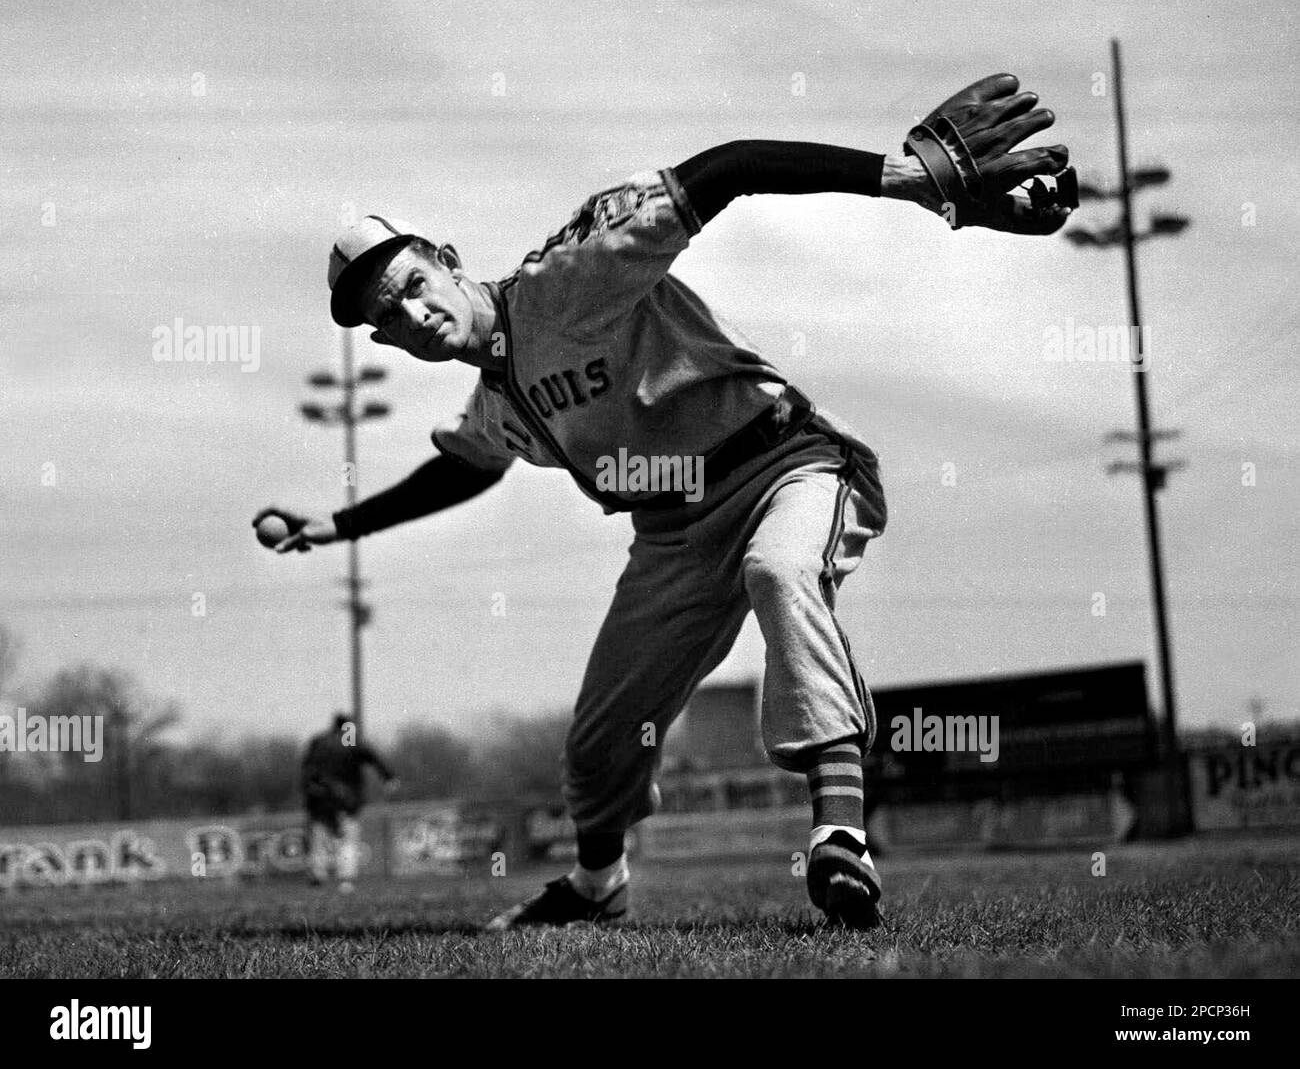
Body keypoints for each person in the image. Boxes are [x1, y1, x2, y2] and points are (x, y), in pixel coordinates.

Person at [256, 73, 1074, 929]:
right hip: (676, 539)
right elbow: (465, 467)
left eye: (415, 284)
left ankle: (840, 832)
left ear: (450, 262)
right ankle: (597, 887)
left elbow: (730, 167)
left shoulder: (568, 279)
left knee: (779, 571)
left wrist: (911, 178)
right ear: (385, 341)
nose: (413, 314)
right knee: (599, 746)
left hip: (784, 467)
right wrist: (331, 526)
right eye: (391, 317)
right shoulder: (497, 400)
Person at [301, 713, 397, 892]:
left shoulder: (319, 741)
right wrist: (388, 776)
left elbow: (307, 770)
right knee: (347, 838)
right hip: (346, 799)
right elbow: (372, 756)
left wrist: (310, 792)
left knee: (319, 836)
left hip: (319, 798)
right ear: (348, 727)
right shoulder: (348, 740)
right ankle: (346, 879)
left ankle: (317, 875)